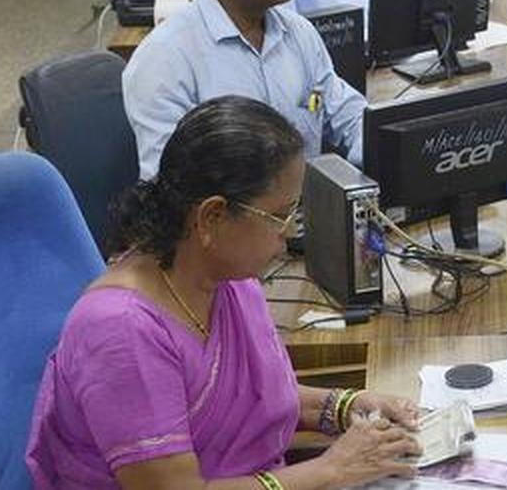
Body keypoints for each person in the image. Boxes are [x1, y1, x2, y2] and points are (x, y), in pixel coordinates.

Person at [27, 96, 421, 488]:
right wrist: (330, 469)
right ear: (212, 217)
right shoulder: (121, 331)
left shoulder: (225, 278)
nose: (290, 232)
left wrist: (346, 406)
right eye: (280, 216)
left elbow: (256, 397)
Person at [122, 0, 367, 179]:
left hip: (301, 212)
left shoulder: (300, 34)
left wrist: (379, 145)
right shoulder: (166, 59)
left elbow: (348, 114)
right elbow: (170, 187)